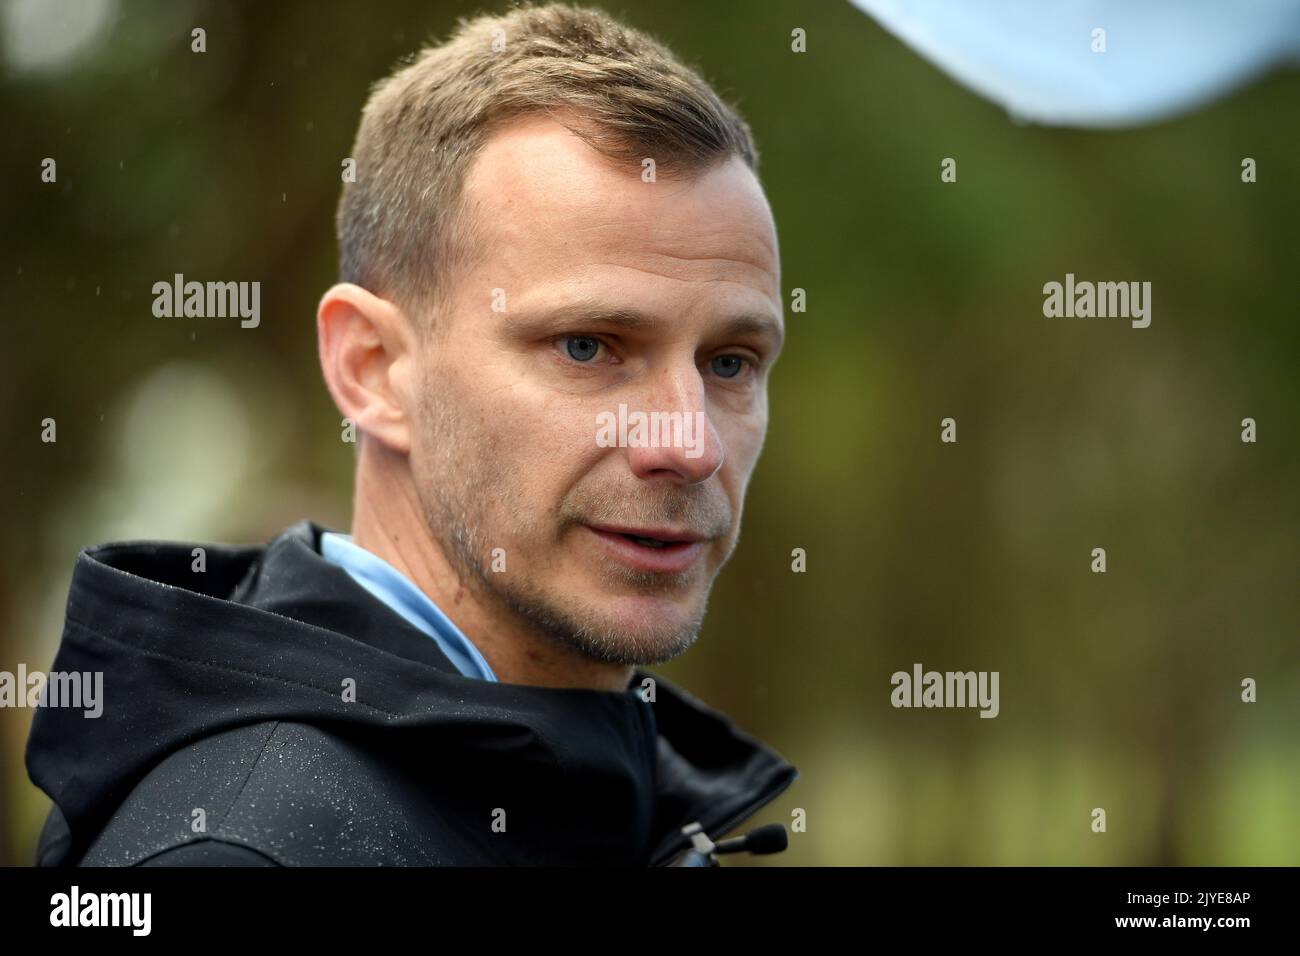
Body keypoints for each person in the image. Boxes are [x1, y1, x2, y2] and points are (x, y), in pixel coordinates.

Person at [26, 2, 796, 866]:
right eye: (588, 347)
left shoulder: (613, 800)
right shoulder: (242, 850)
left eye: (729, 363)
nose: (690, 444)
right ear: (374, 368)